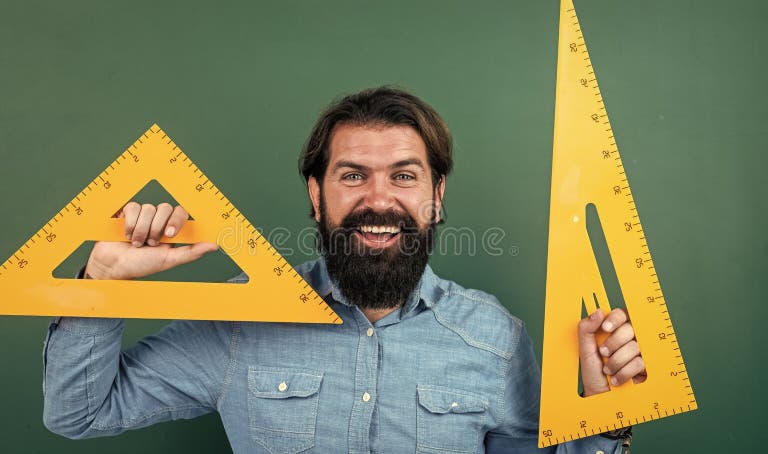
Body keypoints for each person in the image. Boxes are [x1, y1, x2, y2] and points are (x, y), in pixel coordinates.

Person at [43, 87, 645, 453]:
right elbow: (78, 413)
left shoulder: (495, 339)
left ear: (437, 196)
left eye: (404, 176)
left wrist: (603, 414)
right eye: (352, 175)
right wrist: (102, 281)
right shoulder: (238, 321)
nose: (378, 200)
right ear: (316, 193)